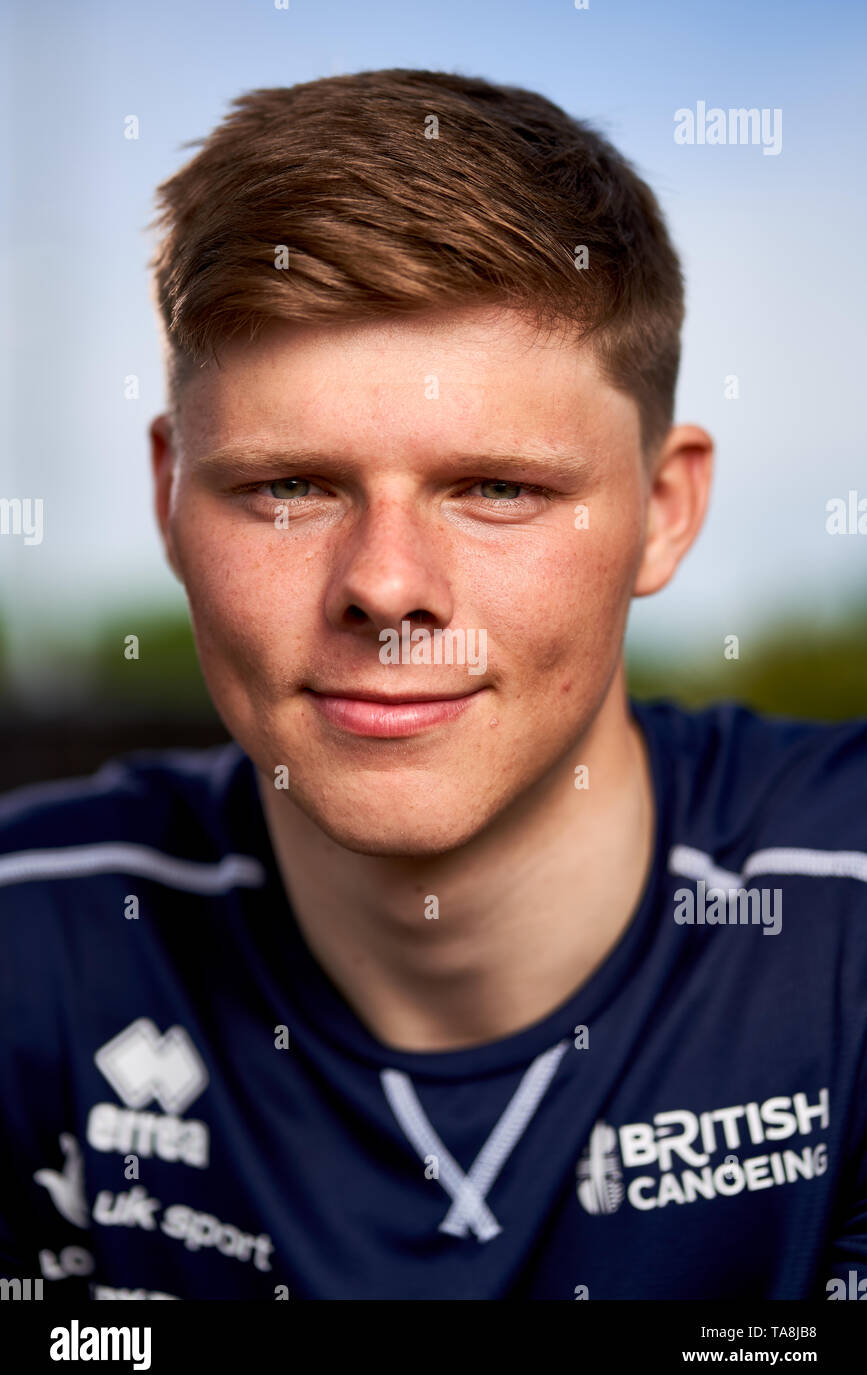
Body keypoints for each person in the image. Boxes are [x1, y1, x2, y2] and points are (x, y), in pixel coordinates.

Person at [1, 69, 865, 1302]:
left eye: (498, 488)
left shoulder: (844, 931)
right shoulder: (31, 953)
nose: (389, 588)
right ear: (169, 497)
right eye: (287, 485)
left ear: (665, 514)